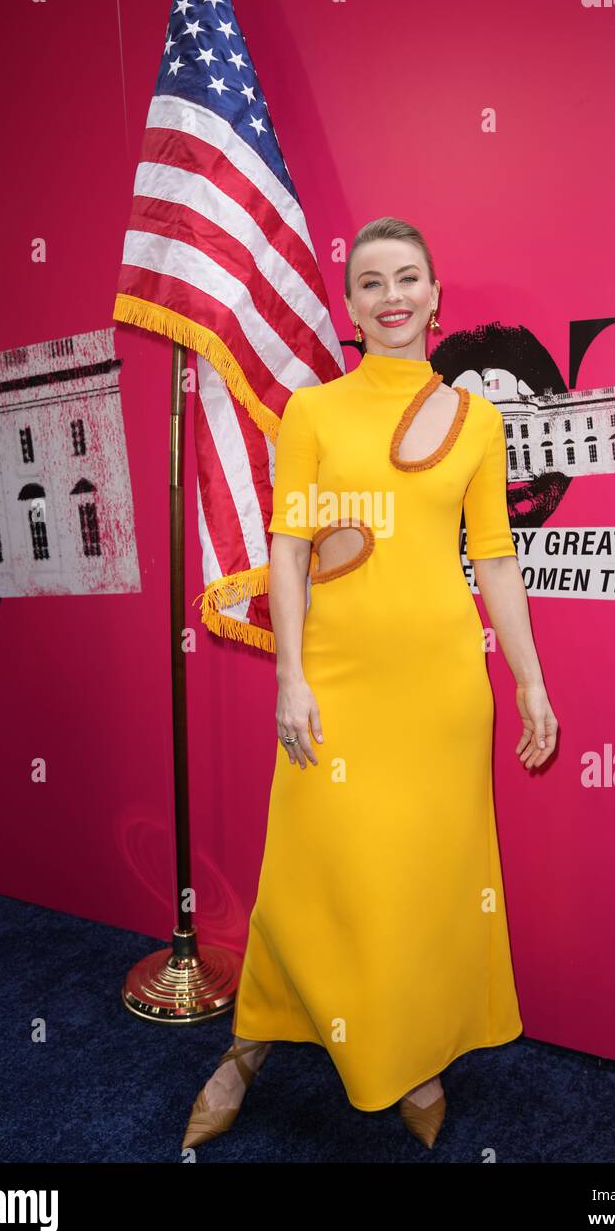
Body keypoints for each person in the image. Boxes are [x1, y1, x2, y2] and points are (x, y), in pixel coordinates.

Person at [183, 217, 557, 1152]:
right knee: (307, 878)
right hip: (337, 688)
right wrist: (290, 679)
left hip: (442, 694)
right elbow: (289, 551)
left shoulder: (479, 421)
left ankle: (415, 1058)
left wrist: (531, 685)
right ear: (351, 307)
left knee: (425, 884)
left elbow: (497, 562)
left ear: (436, 297)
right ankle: (247, 1050)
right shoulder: (313, 413)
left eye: (409, 280)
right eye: (372, 284)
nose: (392, 297)